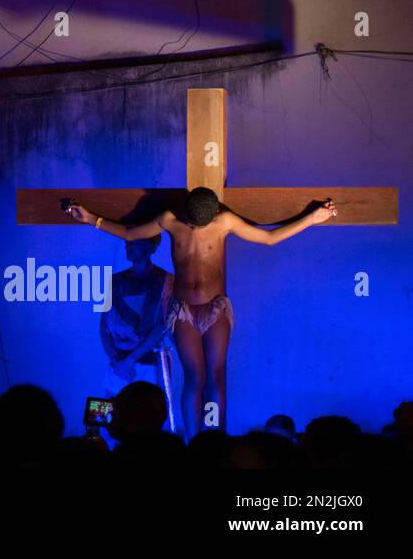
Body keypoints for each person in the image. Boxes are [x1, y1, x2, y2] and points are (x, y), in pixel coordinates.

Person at [67, 186, 337, 439]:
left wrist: (312, 218)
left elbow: (269, 238)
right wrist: (92, 219)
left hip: (205, 313)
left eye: (202, 224)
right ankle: (183, 441)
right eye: (193, 223)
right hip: (165, 323)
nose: (197, 228)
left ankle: (212, 440)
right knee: (188, 379)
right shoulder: (168, 222)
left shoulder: (224, 222)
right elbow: (129, 235)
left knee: (213, 376)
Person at [99, 235, 175, 426]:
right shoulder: (114, 280)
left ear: (149, 247)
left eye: (133, 241)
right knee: (104, 420)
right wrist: (118, 362)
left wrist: (129, 361)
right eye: (127, 242)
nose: (127, 245)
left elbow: (162, 325)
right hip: (117, 362)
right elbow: (104, 326)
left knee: (147, 419)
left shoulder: (165, 280)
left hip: (148, 361)